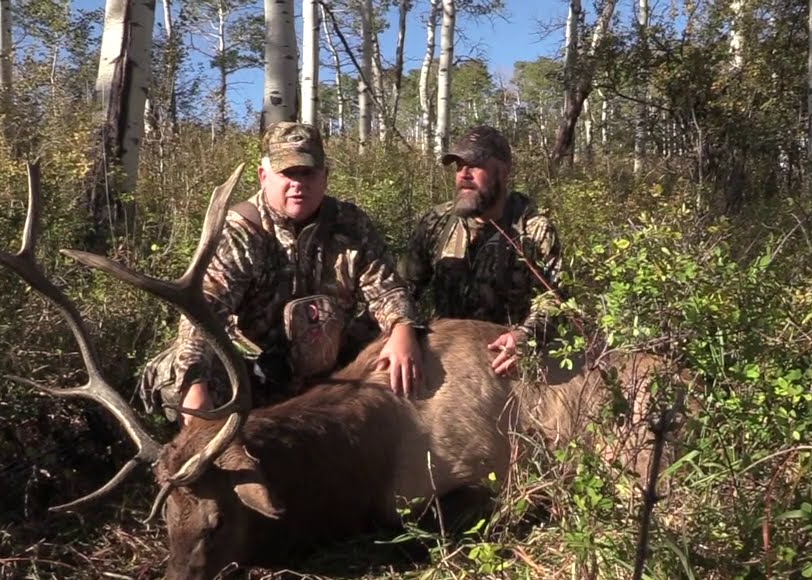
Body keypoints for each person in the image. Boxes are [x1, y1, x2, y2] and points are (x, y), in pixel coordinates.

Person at [142, 122, 424, 421]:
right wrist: (195, 385)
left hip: (333, 371)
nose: (298, 183)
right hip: (256, 373)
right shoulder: (241, 230)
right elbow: (205, 311)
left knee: (409, 349)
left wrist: (402, 329)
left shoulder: (350, 224)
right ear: (264, 177)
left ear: (325, 177)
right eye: (287, 173)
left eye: (308, 173)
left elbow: (387, 289)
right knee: (181, 373)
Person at [399, 125, 563, 376]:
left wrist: (526, 336)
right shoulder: (437, 222)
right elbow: (402, 289)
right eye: (458, 166)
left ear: (503, 172)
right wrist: (402, 330)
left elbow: (558, 301)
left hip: (505, 364)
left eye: (475, 165)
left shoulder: (534, 230)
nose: (463, 175)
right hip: (447, 356)